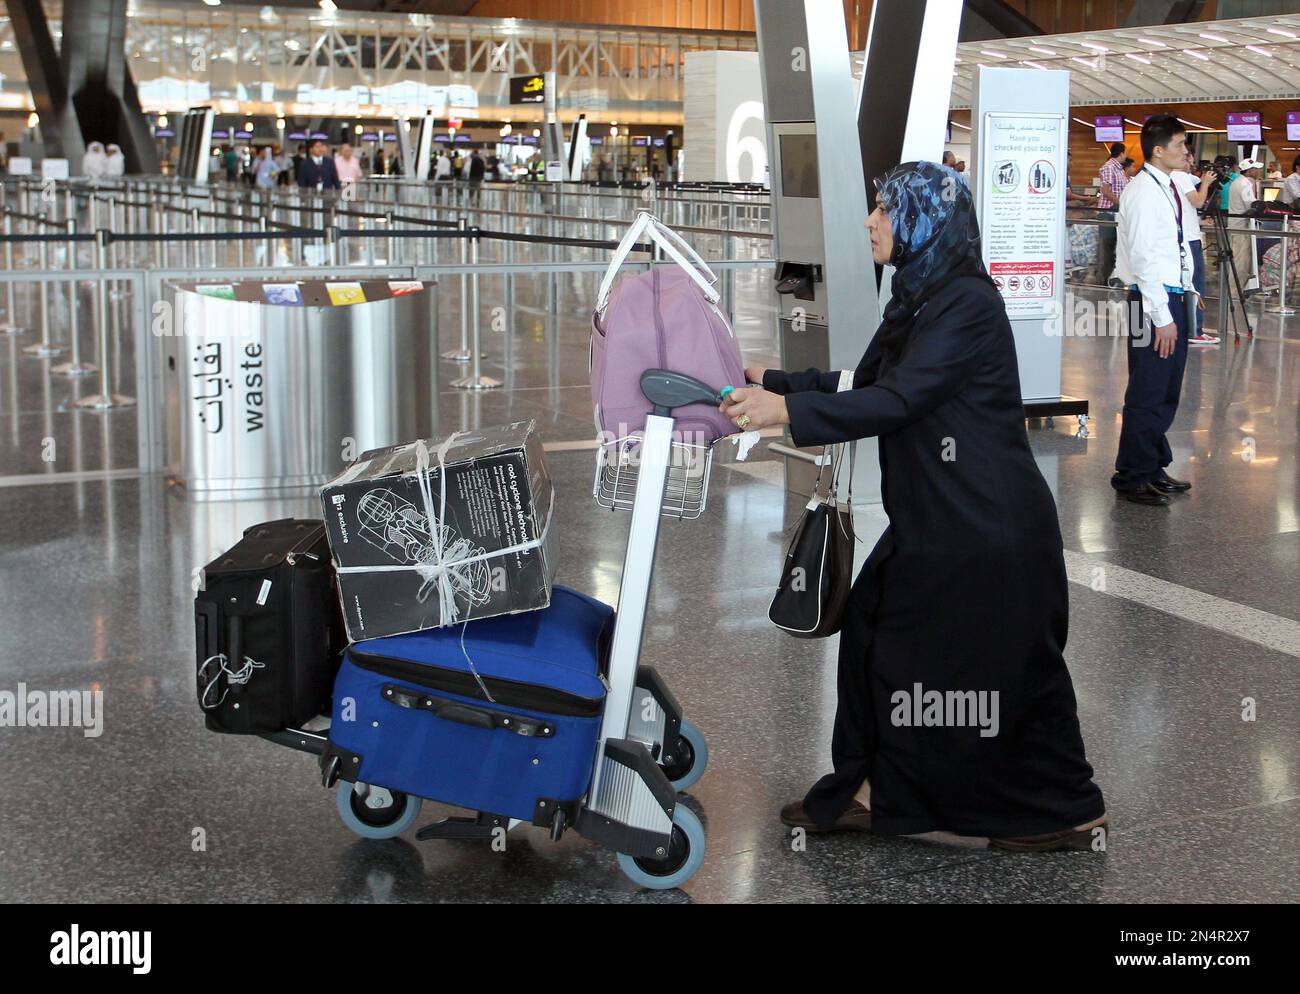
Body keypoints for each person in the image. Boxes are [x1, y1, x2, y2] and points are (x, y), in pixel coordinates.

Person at [720, 160, 1106, 850]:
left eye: (886, 211)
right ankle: (878, 789)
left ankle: (1060, 809)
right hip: (940, 517)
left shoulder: (966, 303)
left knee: (987, 670)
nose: (872, 222)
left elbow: (900, 400)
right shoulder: (922, 296)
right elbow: (866, 380)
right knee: (876, 634)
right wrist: (775, 379)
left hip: (983, 526)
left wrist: (787, 411)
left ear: (926, 220)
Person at [1111, 115, 1198, 507]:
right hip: (1151, 302)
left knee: (1165, 386)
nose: (1186, 151)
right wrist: (1161, 317)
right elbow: (1145, 259)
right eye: (1180, 144)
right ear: (1158, 150)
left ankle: (1151, 464)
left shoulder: (1167, 187)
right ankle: (1132, 474)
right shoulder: (1144, 192)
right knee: (1148, 386)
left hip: (1170, 296)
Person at [1173, 148, 1219, 347]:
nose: (1191, 162)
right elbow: (1199, 201)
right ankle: (1196, 330)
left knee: (1186, 284)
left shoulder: (1173, 176)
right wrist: (1207, 182)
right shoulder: (1180, 176)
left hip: (1181, 237)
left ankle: (1187, 327)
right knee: (1196, 285)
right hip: (1190, 239)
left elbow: (1195, 185)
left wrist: (1206, 179)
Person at [1096, 141, 1129, 285]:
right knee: (1108, 248)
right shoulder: (1109, 167)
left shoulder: (1119, 169)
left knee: (1118, 247)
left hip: (1118, 212)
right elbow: (1106, 191)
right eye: (1125, 153)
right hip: (1109, 212)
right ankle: (1103, 281)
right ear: (1121, 153)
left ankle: (1114, 279)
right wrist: (1120, 204)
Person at [1229, 158, 1263, 289]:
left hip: (1236, 225)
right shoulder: (1245, 184)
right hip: (1241, 227)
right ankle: (1236, 289)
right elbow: (1251, 205)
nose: (1257, 171)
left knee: (1238, 257)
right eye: (1255, 169)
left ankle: (1236, 287)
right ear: (1249, 171)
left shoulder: (1237, 182)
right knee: (1241, 260)